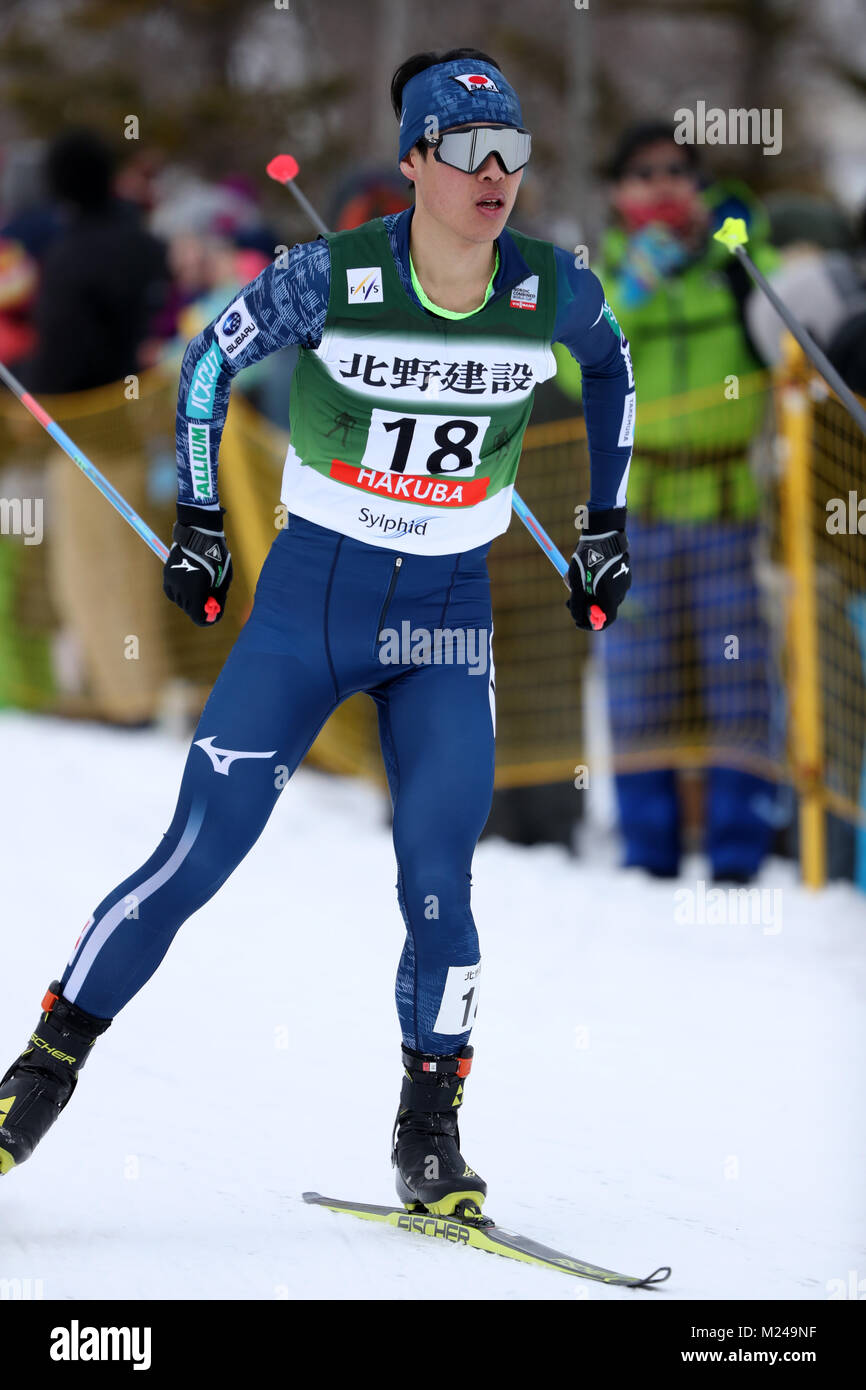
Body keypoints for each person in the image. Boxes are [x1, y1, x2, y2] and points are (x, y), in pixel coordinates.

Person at [0, 49, 634, 1218]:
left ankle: (428, 1136)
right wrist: (200, 522)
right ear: (413, 162)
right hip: (309, 610)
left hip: (445, 624)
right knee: (196, 857)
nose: (495, 176)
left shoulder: (551, 291)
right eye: (467, 152)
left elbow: (611, 368)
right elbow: (206, 366)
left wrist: (604, 525)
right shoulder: (327, 276)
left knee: (440, 880)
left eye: (514, 155)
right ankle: (40, 1073)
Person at [553, 122, 782, 882]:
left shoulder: (734, 257)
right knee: (636, 678)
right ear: (618, 194)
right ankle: (648, 851)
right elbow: (563, 368)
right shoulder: (597, 276)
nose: (661, 185)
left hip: (724, 504)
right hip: (637, 508)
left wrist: (743, 252)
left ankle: (739, 852)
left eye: (677, 171)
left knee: (739, 680)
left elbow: (787, 334)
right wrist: (633, 294)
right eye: (642, 172)